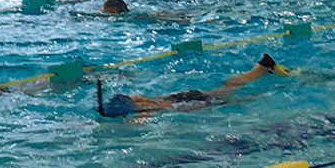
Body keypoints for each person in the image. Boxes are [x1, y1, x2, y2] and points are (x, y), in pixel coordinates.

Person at [97, 54, 289, 116]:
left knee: (237, 99)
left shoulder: (142, 113)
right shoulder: (139, 99)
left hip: (187, 104)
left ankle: (273, 86)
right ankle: (260, 69)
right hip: (184, 95)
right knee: (227, 89)